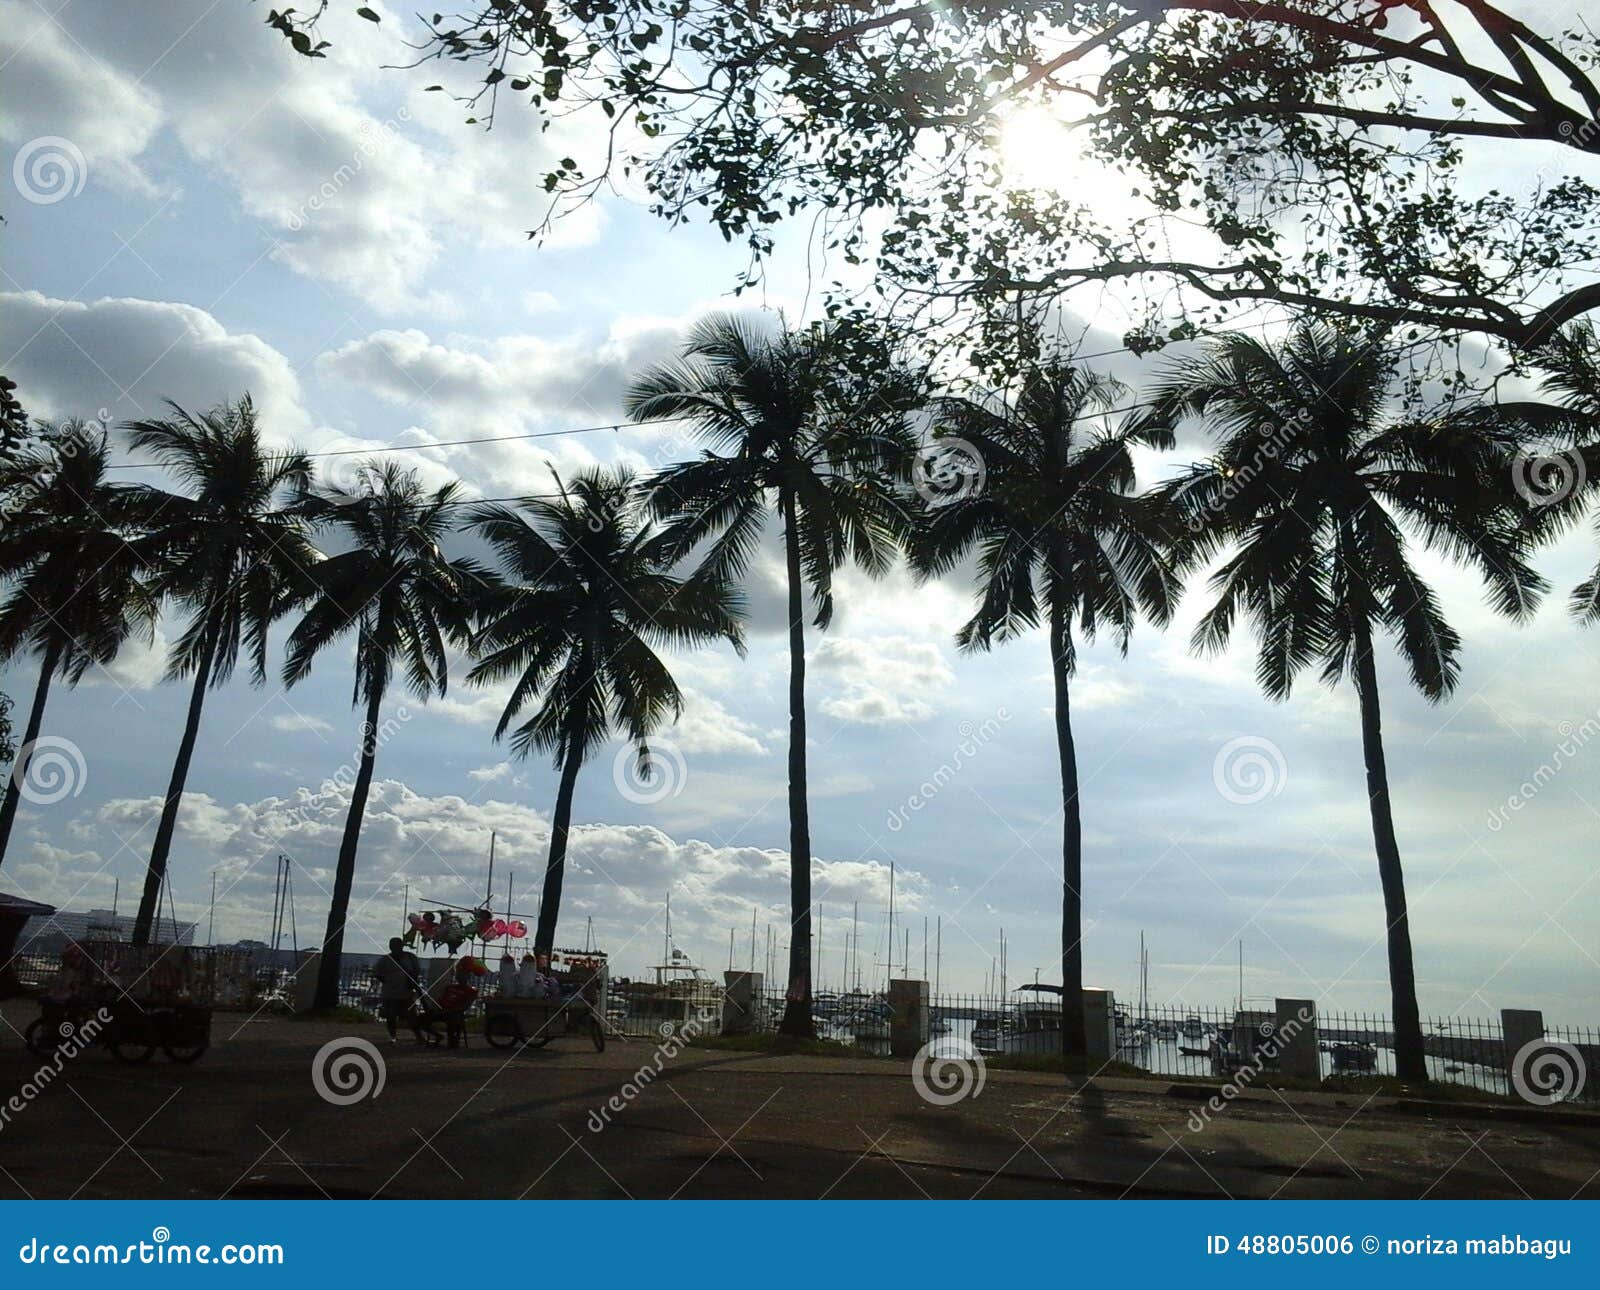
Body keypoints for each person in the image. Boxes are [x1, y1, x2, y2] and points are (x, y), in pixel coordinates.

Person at [373, 937, 421, 1043]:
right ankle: (392, 1036)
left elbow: (416, 972)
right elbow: (376, 972)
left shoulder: (411, 957)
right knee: (391, 1016)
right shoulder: (385, 959)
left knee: (411, 1016)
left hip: (406, 992)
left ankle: (419, 1036)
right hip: (390, 993)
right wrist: (387, 981)